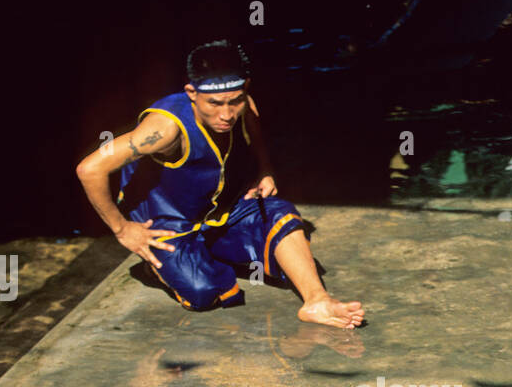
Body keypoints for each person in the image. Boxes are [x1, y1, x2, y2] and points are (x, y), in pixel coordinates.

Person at [75, 40, 364, 329]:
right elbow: (89, 168)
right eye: (214, 103)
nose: (226, 114)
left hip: (217, 206)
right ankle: (164, 264)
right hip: (166, 220)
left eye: (234, 101)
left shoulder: (243, 104)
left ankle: (317, 301)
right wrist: (122, 229)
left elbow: (254, 131)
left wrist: (265, 170)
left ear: (245, 88)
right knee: (204, 293)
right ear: (191, 93)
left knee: (281, 214)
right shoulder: (163, 130)